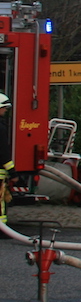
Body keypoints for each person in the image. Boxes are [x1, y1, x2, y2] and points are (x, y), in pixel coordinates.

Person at [0, 93, 12, 226]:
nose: (5, 110)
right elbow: (3, 151)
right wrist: (12, 172)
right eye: (4, 108)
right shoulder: (1, 128)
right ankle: (2, 228)